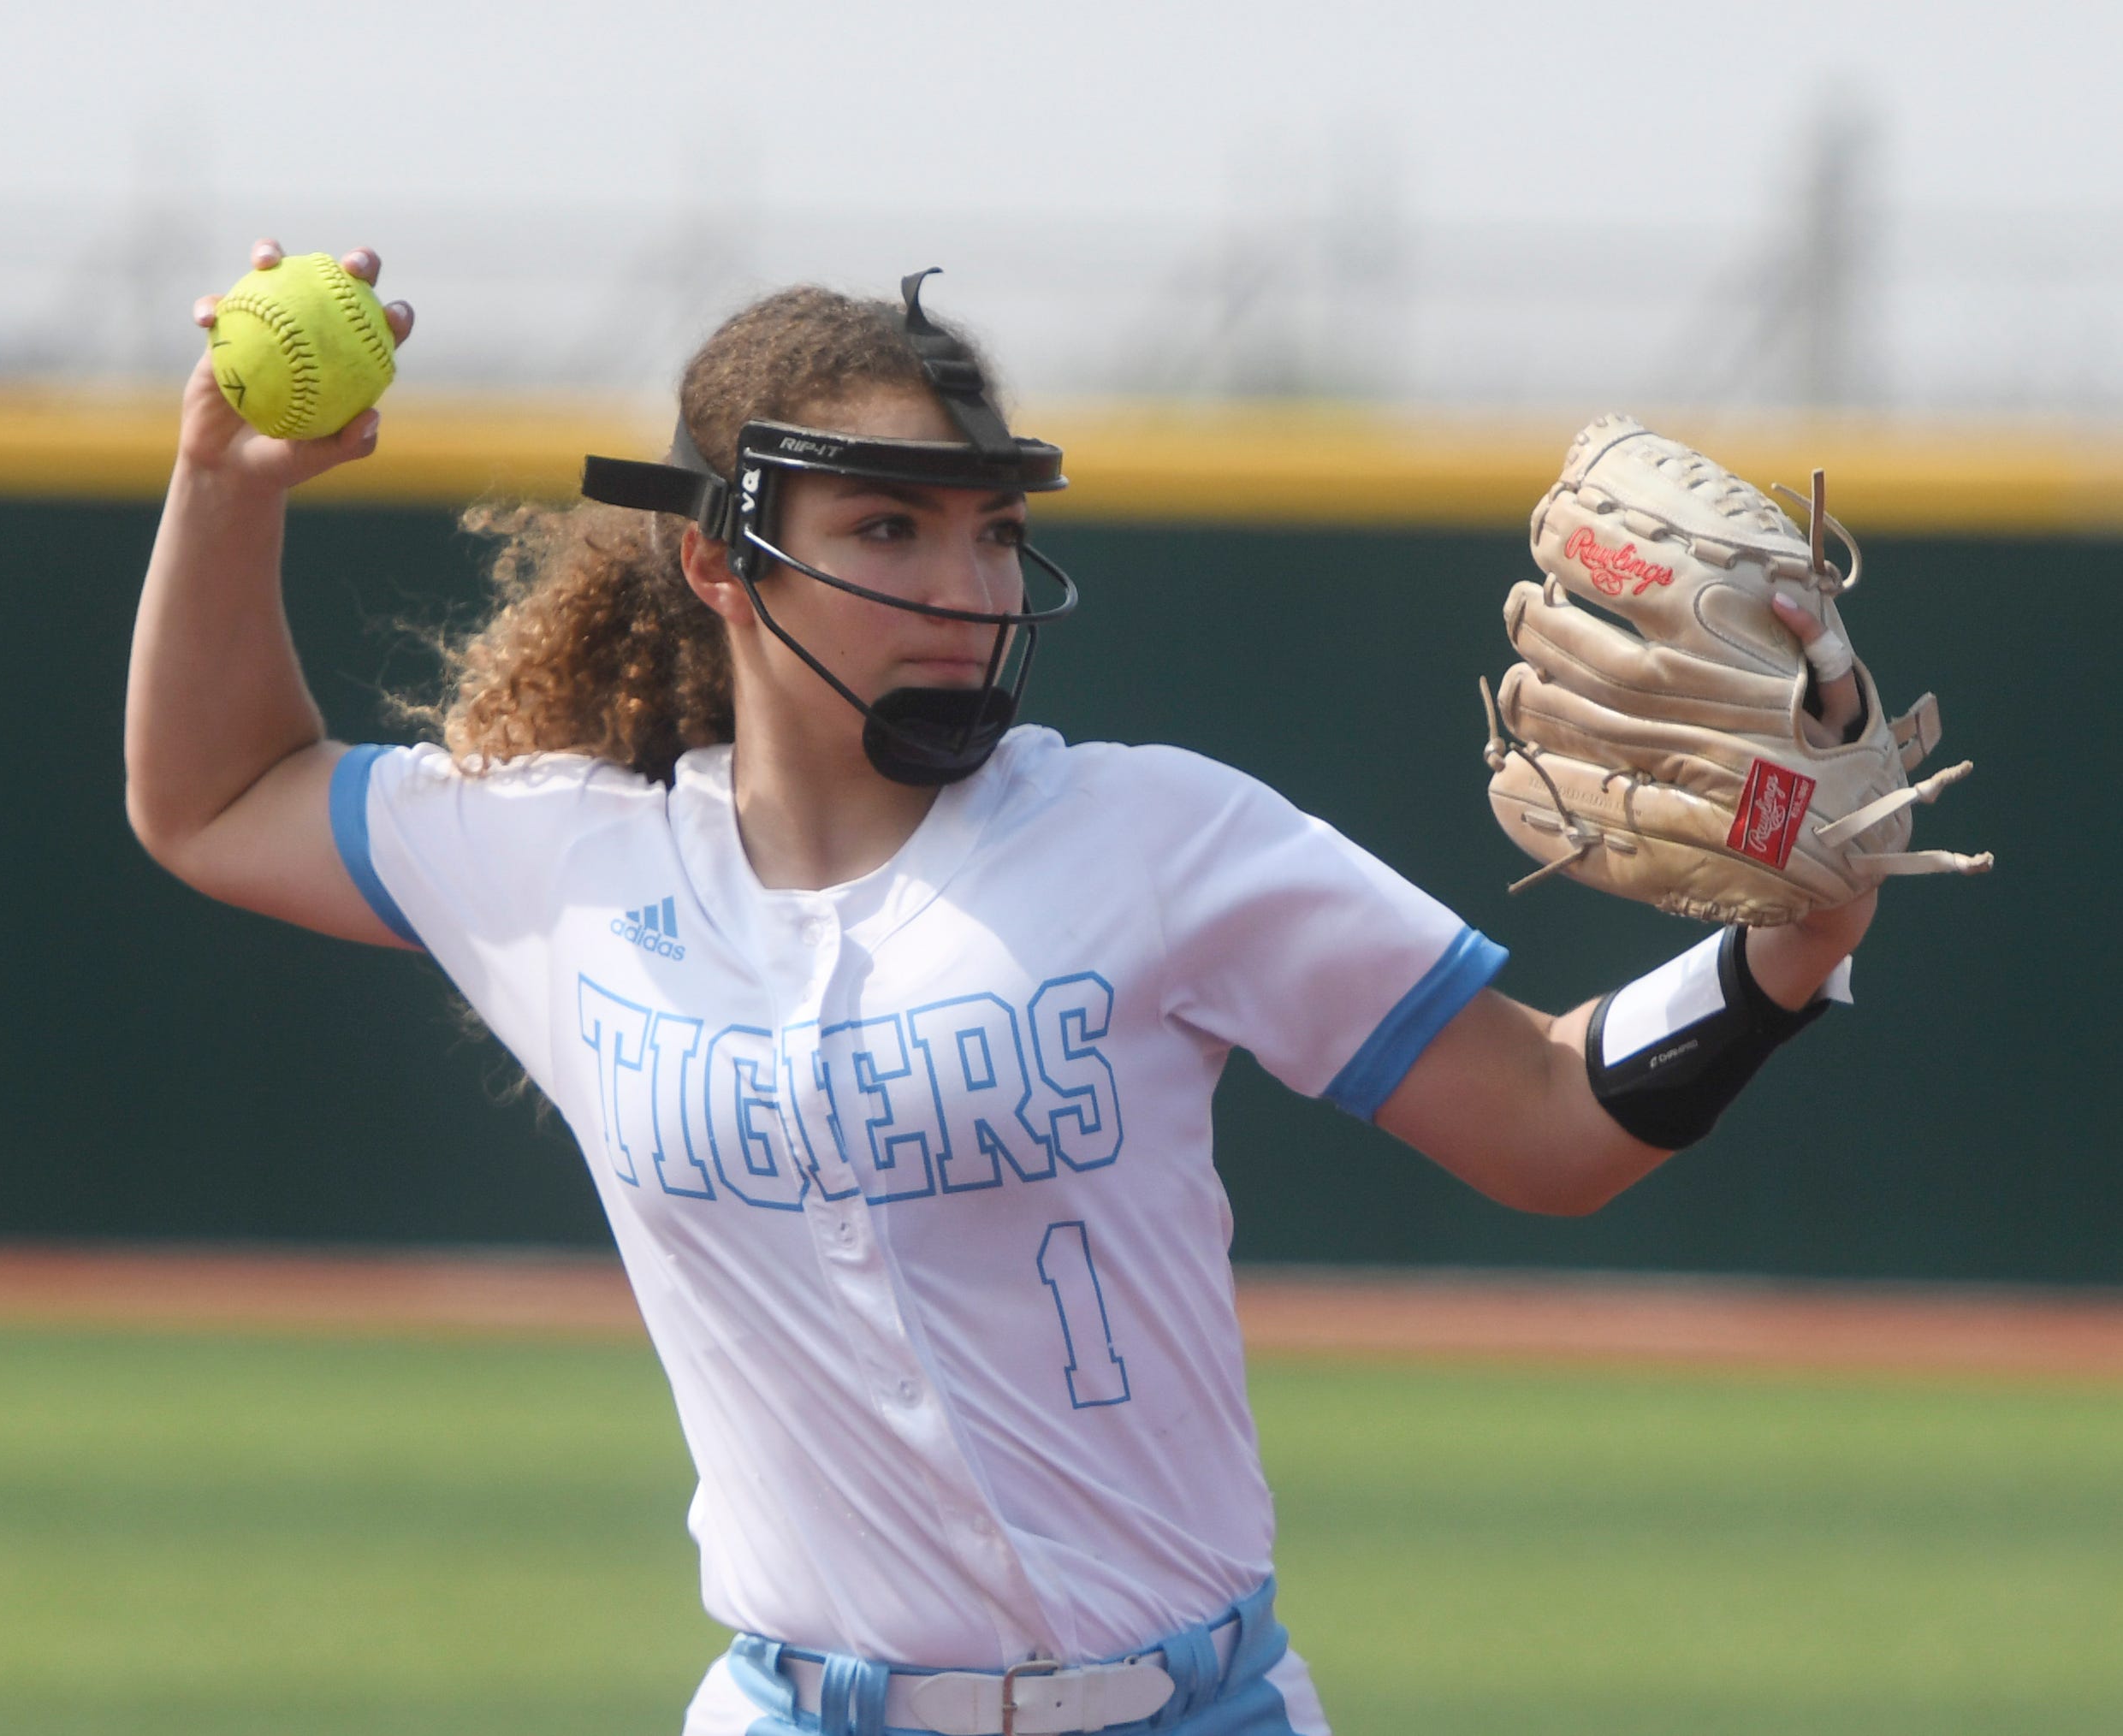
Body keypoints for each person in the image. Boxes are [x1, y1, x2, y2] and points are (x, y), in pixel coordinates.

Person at [127, 242, 1875, 1736]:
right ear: (718, 558)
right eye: (888, 529)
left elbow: (1550, 1116)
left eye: (986, 533)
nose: (962, 589)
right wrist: (221, 485)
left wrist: (1785, 952)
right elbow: (209, 799)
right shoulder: (568, 863)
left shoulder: (1157, 835)